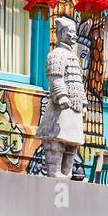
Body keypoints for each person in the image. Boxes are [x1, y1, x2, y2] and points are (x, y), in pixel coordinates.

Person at [36, 16, 87, 179]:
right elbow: (55, 77)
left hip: (76, 107)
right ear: (62, 32)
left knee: (72, 142)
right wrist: (61, 95)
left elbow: (78, 82)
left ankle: (67, 171)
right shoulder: (56, 54)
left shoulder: (74, 57)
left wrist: (84, 103)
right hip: (62, 106)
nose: (74, 36)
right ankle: (55, 170)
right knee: (56, 140)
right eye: (71, 32)